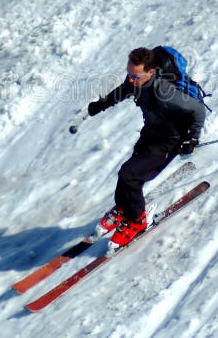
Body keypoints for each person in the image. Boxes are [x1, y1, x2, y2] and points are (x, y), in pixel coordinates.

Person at [87, 47, 206, 247]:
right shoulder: (136, 82)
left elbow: (198, 110)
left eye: (135, 76)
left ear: (150, 73)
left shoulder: (166, 91)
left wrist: (192, 139)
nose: (131, 80)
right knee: (129, 173)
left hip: (169, 140)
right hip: (151, 132)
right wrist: (101, 105)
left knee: (129, 175)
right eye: (129, 74)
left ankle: (137, 221)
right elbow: (124, 90)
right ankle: (124, 207)